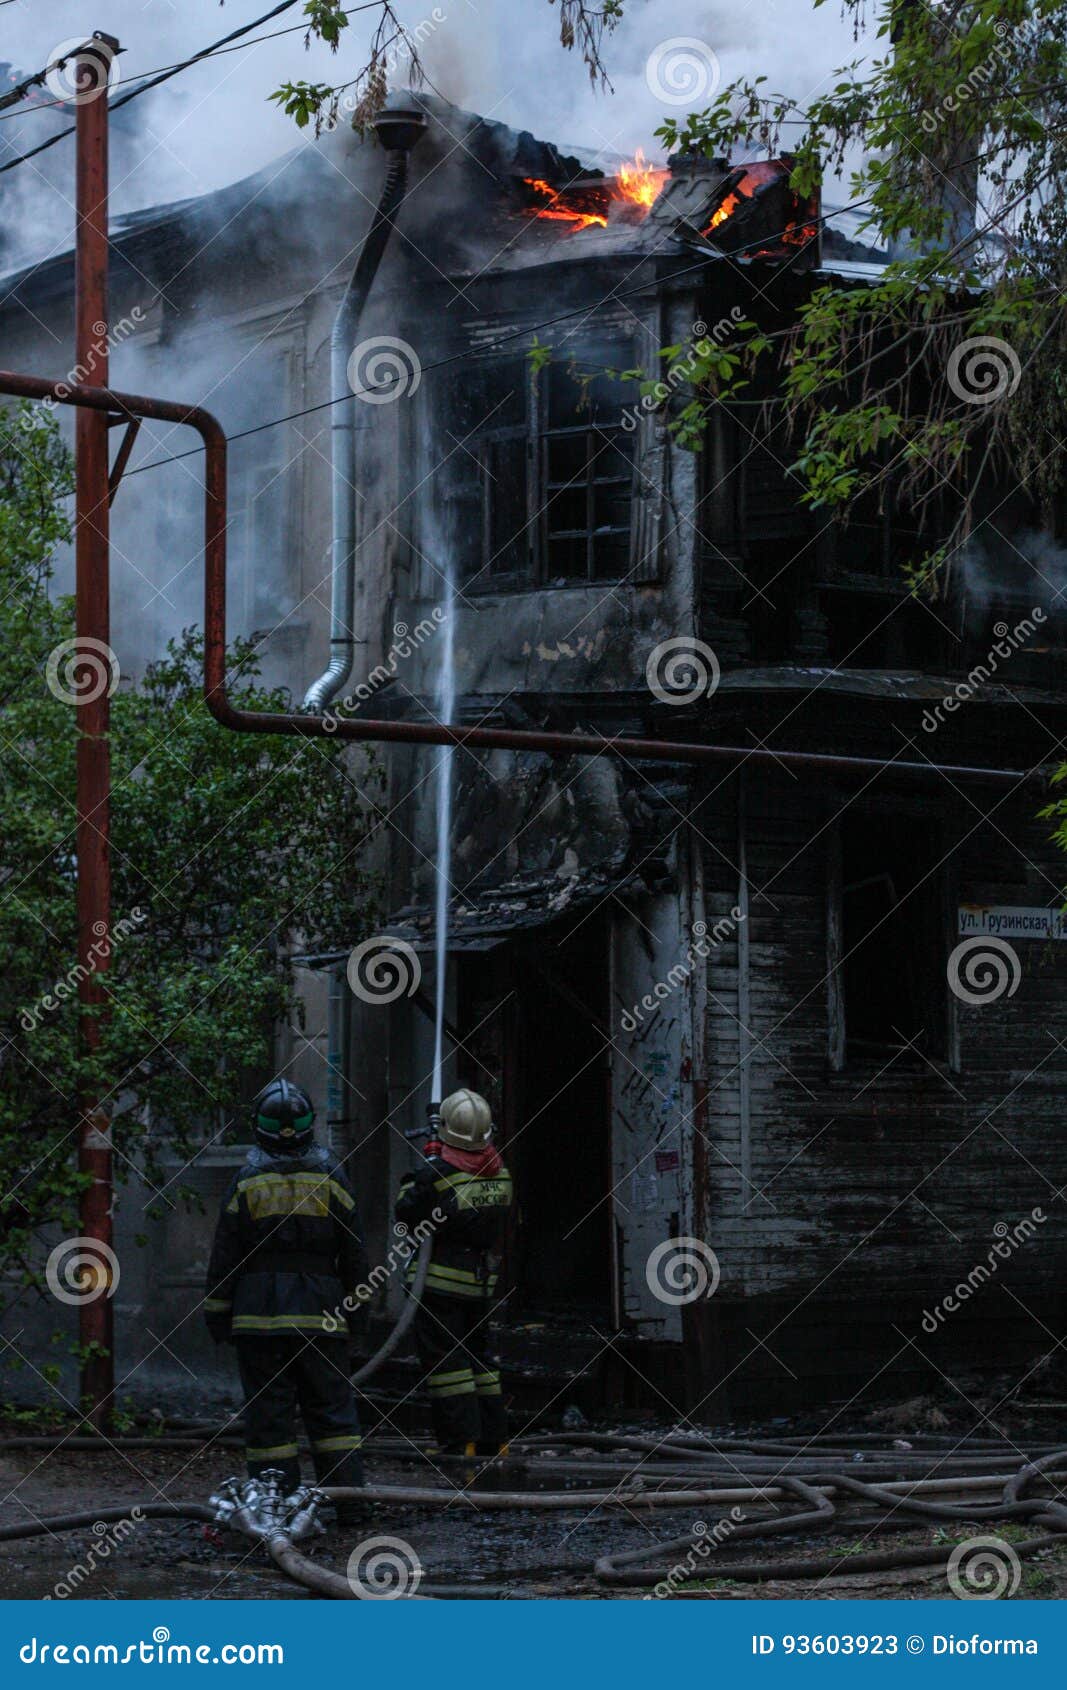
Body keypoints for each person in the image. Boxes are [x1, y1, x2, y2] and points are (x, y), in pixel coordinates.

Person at [204, 1078, 367, 1512]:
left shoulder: (246, 1181)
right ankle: (350, 1504)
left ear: (260, 1129)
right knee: (333, 1414)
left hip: (259, 1320)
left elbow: (225, 1257)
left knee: (269, 1418)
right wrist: (359, 1314)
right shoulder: (333, 1177)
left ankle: (275, 1509)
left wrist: (217, 1315)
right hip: (323, 1316)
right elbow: (355, 1254)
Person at [395, 1087, 513, 1455]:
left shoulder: (440, 1176)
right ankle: (494, 1439)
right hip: (479, 1285)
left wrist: (420, 1176)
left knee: (448, 1366)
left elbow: (407, 1211)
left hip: (440, 1284)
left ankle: (460, 1442)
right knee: (480, 1361)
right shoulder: (501, 1173)